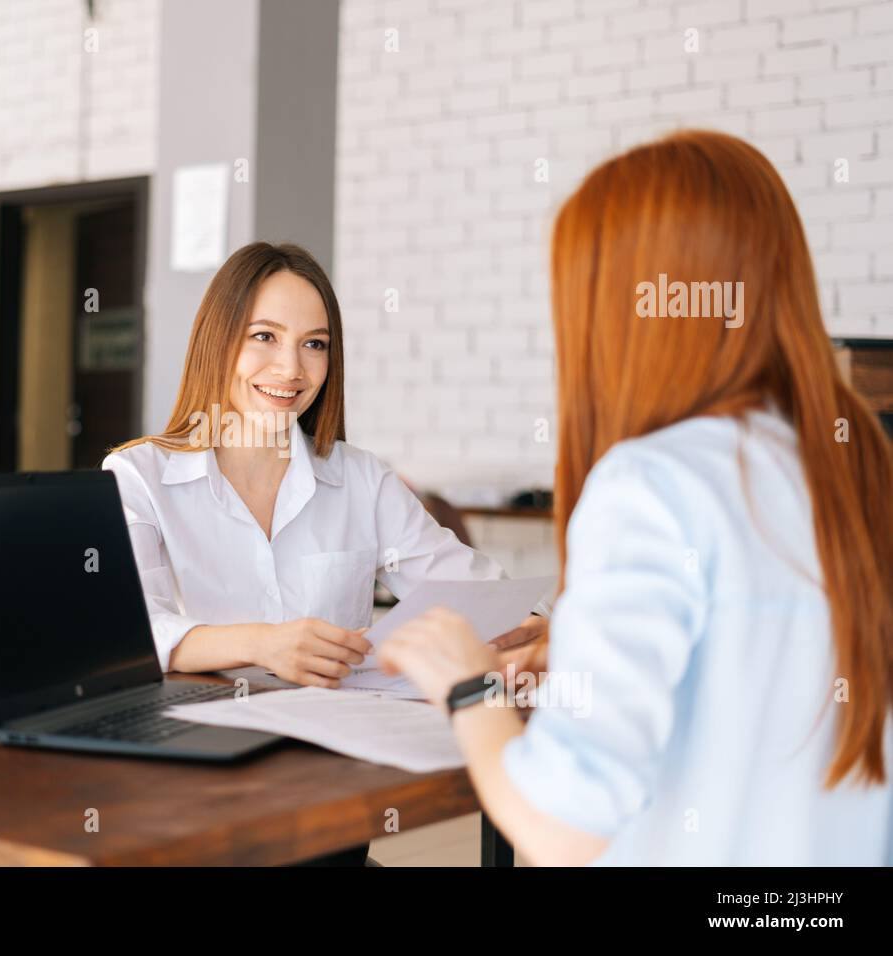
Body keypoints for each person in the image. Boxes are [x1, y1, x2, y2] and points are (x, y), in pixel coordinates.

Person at [380, 130, 893, 865]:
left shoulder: (652, 483)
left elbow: (562, 826)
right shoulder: (856, 470)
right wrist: (589, 654)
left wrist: (468, 690)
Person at [103, 241, 547, 689]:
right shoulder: (137, 477)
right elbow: (133, 631)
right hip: (197, 732)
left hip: (335, 734)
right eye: (264, 336)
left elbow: (469, 589)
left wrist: (527, 623)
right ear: (217, 341)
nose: (291, 368)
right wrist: (261, 643)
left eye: (314, 344)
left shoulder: (363, 479)